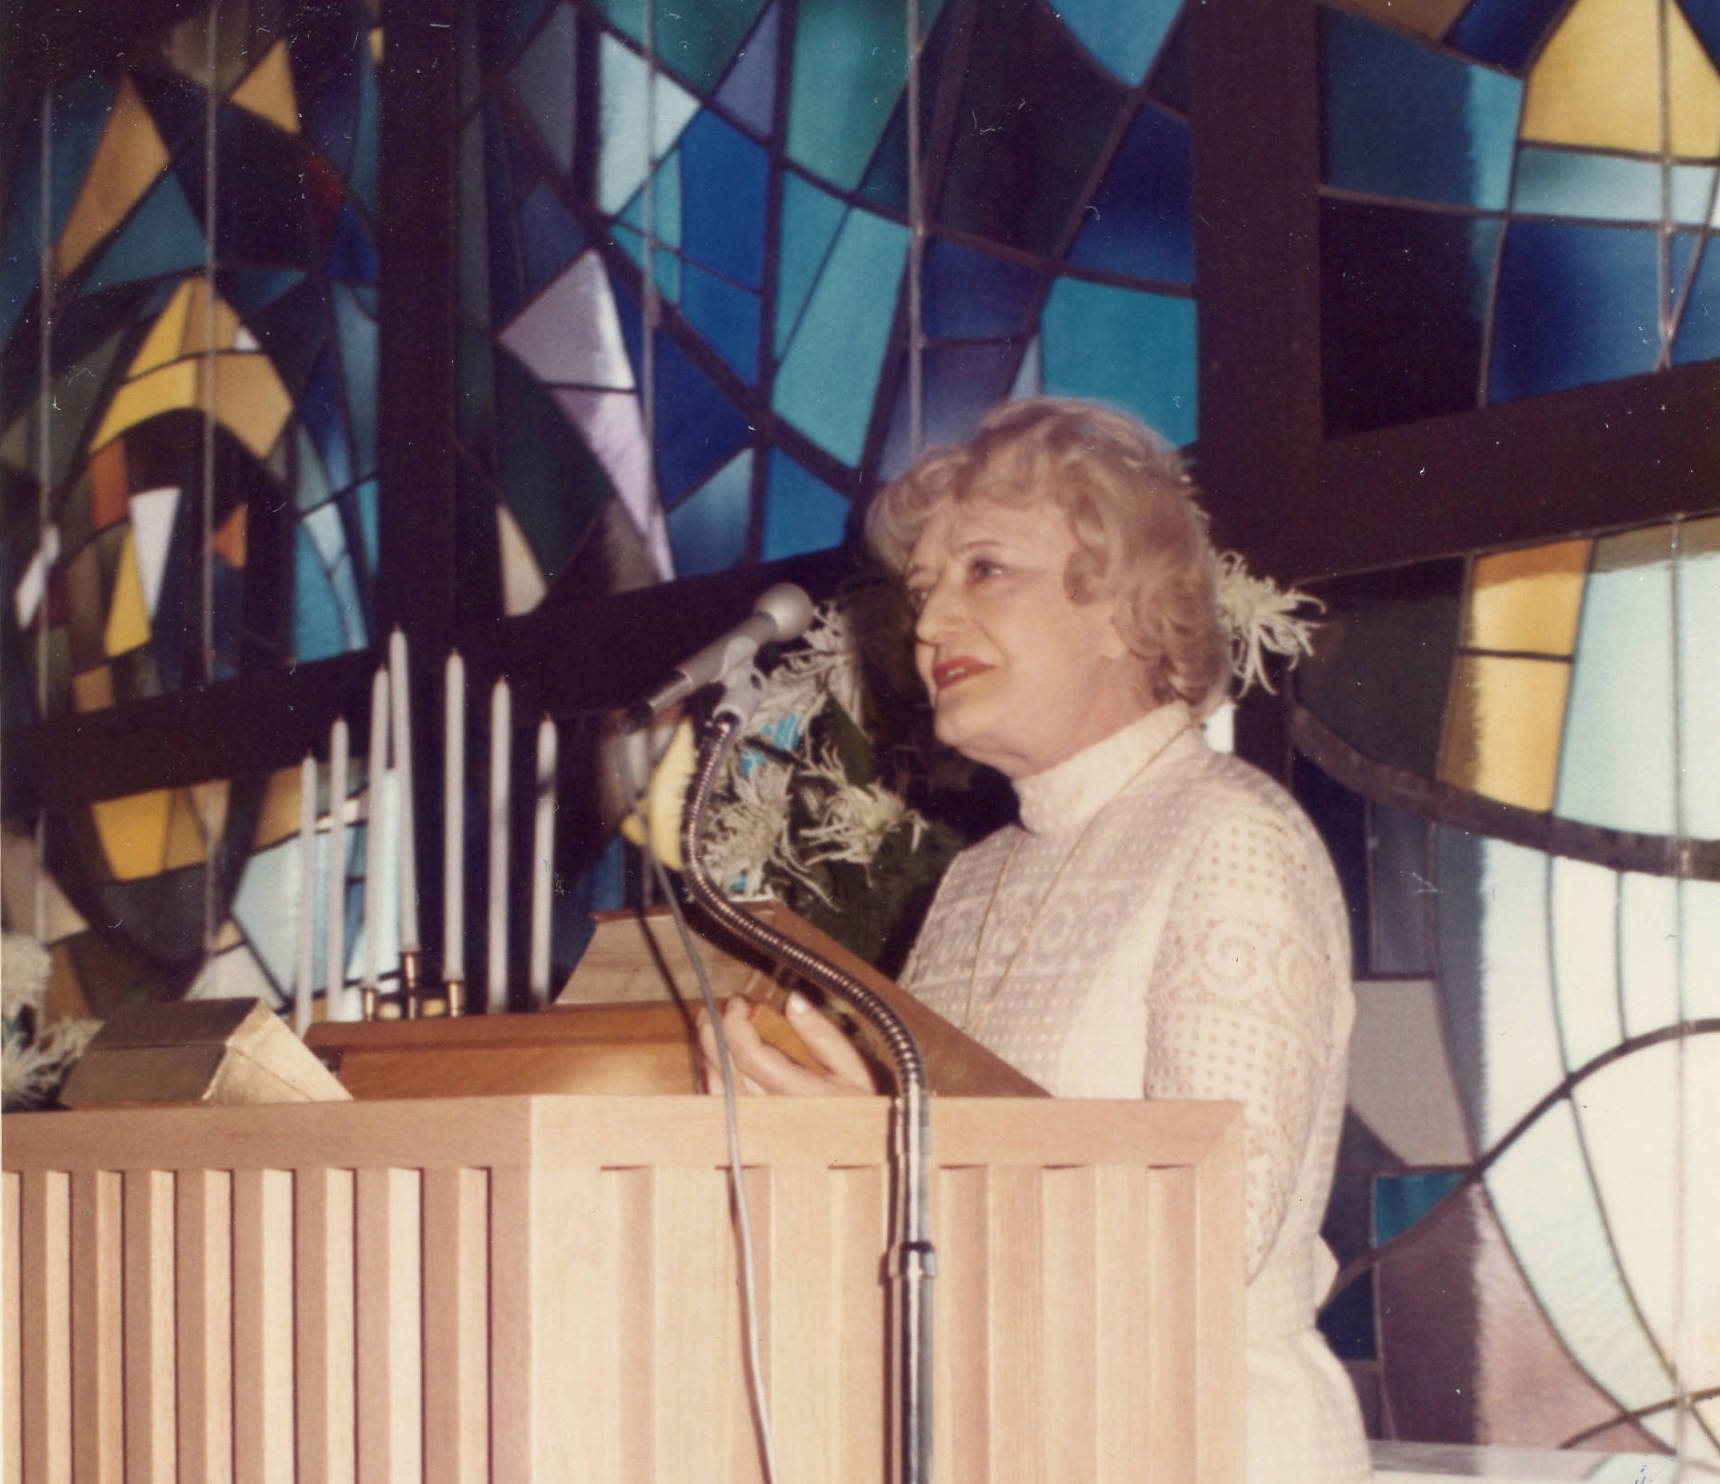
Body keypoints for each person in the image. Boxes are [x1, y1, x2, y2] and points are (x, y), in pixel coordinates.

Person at [701, 397, 1373, 1484]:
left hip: (1192, 1438)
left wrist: (883, 1146)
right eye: (922, 592)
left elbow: (1203, 1237)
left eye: (984, 570)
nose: (927, 625)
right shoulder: (970, 882)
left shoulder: (1230, 834)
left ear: (1120, 606)